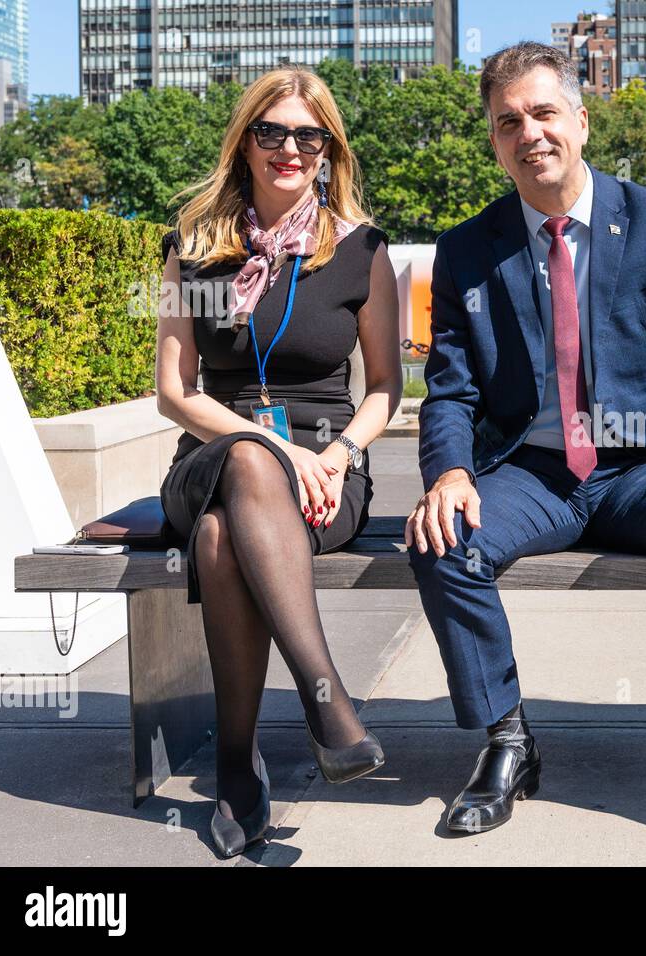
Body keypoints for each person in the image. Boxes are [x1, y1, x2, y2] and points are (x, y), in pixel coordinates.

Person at [407, 42, 646, 850]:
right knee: (441, 539)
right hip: (532, 475)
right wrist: (451, 473)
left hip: (645, 472)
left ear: (580, 119)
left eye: (543, 113)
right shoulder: (467, 248)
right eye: (508, 123)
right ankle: (508, 743)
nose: (529, 133)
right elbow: (451, 390)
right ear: (494, 142)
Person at [155, 67, 402, 858]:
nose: (289, 148)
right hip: (210, 457)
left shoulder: (362, 250)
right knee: (249, 467)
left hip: (331, 470)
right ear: (245, 141)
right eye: (272, 132)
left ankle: (236, 767)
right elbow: (175, 391)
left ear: (328, 148)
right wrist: (274, 447)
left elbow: (386, 390)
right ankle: (326, 704)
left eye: (308, 135)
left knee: (224, 542)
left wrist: (336, 454)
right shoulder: (194, 249)